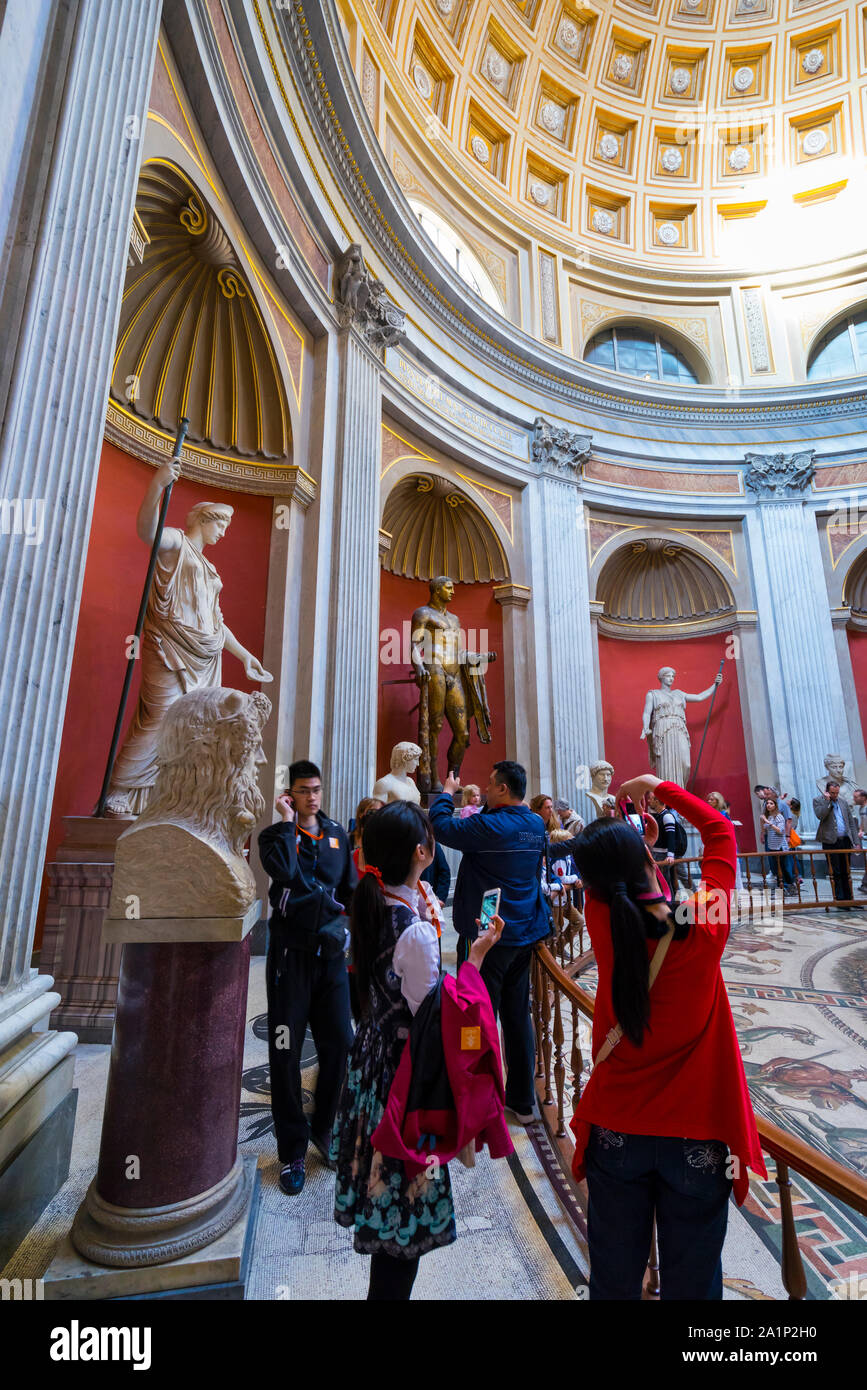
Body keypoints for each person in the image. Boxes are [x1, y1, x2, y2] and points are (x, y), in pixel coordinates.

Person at [566, 772, 766, 1300]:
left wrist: (638, 850)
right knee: (695, 1280)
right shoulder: (704, 922)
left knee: (613, 1274)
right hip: (695, 1132)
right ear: (647, 866)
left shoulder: (602, 917)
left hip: (618, 1127)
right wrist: (659, 785)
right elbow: (721, 832)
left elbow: (618, 886)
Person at [331, 800, 504, 1300]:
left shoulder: (374, 900)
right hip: (401, 1077)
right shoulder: (413, 930)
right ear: (422, 852)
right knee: (401, 1217)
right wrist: (473, 962)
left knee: (384, 1205)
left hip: (370, 1060)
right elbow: (435, 1019)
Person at [428, 761, 551, 1123]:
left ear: (500, 789)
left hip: (489, 936)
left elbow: (441, 827)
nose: (485, 785)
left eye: (490, 782)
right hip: (525, 931)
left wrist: (446, 794)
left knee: (478, 1015)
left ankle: (479, 1101)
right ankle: (523, 1101)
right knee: (517, 1015)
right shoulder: (534, 823)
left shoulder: (490, 826)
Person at [258, 760, 357, 1195]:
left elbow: (349, 891)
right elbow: (284, 875)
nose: (311, 797)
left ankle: (324, 1128)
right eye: (303, 790)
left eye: (316, 789)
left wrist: (349, 929)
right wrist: (284, 823)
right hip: (290, 961)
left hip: (332, 959)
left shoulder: (338, 834)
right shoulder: (276, 838)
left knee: (342, 1043)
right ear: (289, 794)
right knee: (285, 1050)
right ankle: (292, 1150)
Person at [812, 781, 859, 908]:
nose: (835, 795)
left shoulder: (843, 802)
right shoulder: (818, 800)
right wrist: (828, 802)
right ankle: (840, 899)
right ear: (827, 791)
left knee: (846, 870)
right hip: (830, 842)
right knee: (836, 871)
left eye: (837, 793)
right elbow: (820, 816)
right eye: (832, 793)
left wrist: (856, 842)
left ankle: (850, 899)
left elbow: (850, 823)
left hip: (845, 840)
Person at [706, 791, 743, 892]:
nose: (709, 801)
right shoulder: (709, 812)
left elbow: (727, 829)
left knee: (735, 869)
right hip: (715, 844)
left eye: (712, 799)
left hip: (726, 843)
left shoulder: (723, 814)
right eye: (708, 799)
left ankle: (740, 893)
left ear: (718, 801)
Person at [759, 796, 796, 896]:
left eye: (771, 803)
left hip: (780, 845)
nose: (768, 805)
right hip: (772, 845)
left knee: (784, 867)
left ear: (775, 806)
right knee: (776, 868)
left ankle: (789, 886)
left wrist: (767, 822)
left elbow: (780, 831)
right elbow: (766, 829)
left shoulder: (778, 816)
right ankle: (782, 886)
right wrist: (763, 822)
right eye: (767, 803)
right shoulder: (770, 817)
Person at [351, 796, 384, 872]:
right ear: (361, 814)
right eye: (372, 812)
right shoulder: (349, 839)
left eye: (379, 813)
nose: (375, 817)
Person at [854, 788, 867, 894]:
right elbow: (862, 821)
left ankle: (864, 884)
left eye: (856, 797)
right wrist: (861, 830)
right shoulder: (861, 809)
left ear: (863, 797)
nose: (854, 799)